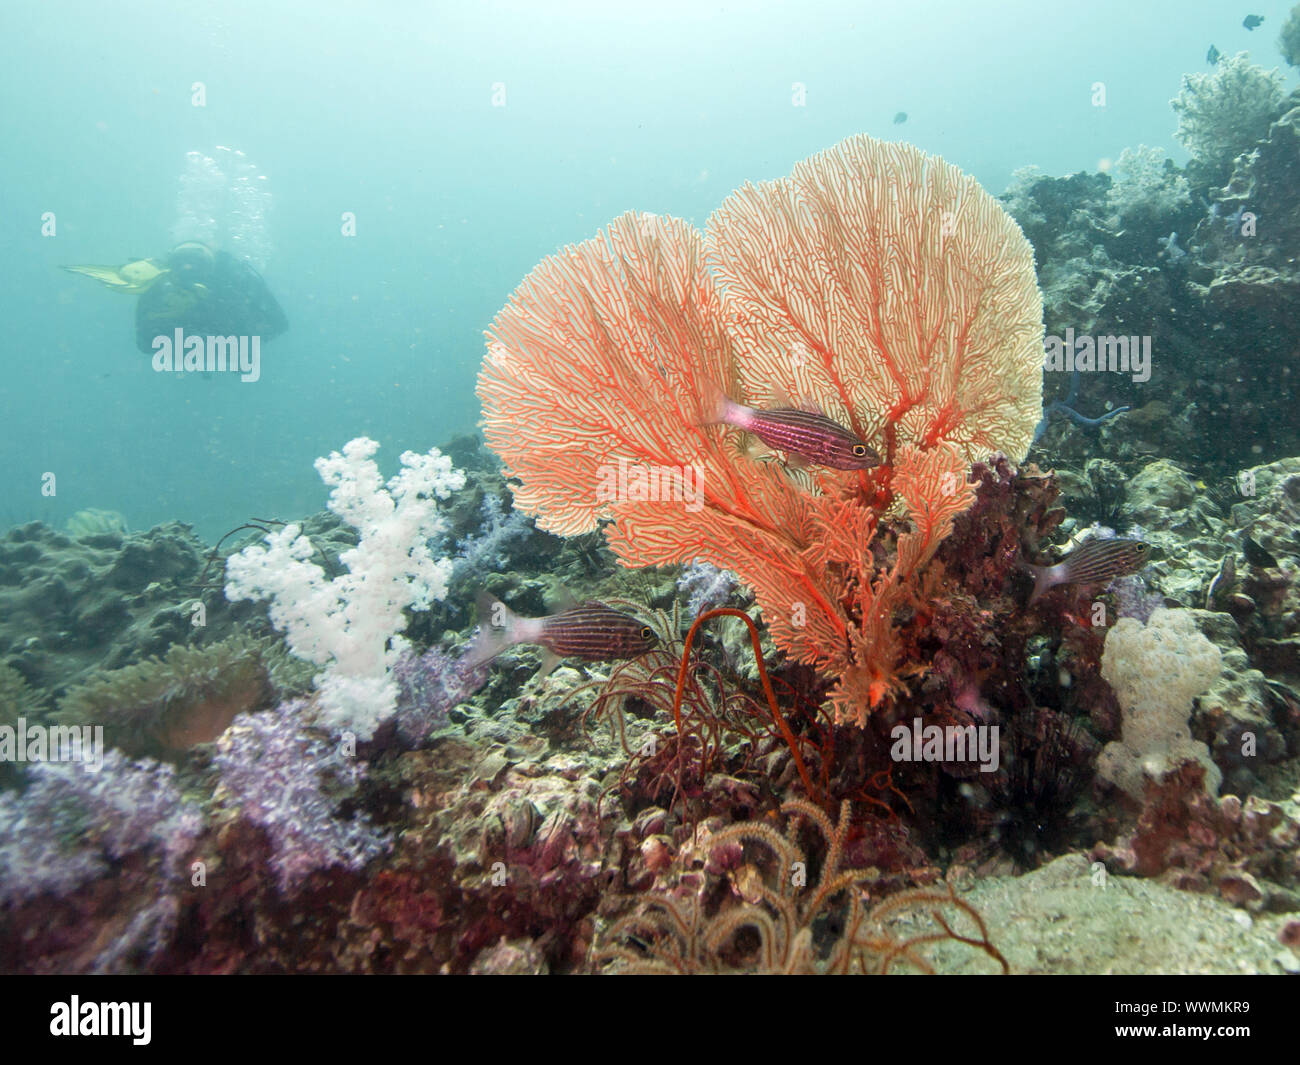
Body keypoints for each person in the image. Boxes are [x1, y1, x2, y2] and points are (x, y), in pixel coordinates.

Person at [63, 241, 288, 354]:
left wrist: (211, 310)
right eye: (182, 266)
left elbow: (277, 325)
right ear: (170, 268)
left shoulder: (234, 281)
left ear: (212, 270)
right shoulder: (160, 286)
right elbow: (145, 343)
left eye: (197, 267)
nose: (189, 272)